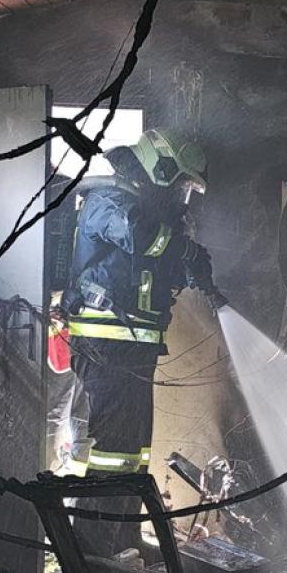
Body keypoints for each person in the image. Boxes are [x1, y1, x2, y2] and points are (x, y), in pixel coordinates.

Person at [50, 127, 226, 489]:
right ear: (159, 170)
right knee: (113, 453)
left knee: (135, 453)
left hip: (131, 349)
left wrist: (192, 269)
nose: (182, 197)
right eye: (181, 186)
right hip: (107, 347)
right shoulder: (108, 200)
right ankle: (97, 521)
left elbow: (156, 262)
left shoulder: (148, 215)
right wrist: (184, 249)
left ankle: (125, 518)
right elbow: (140, 236)